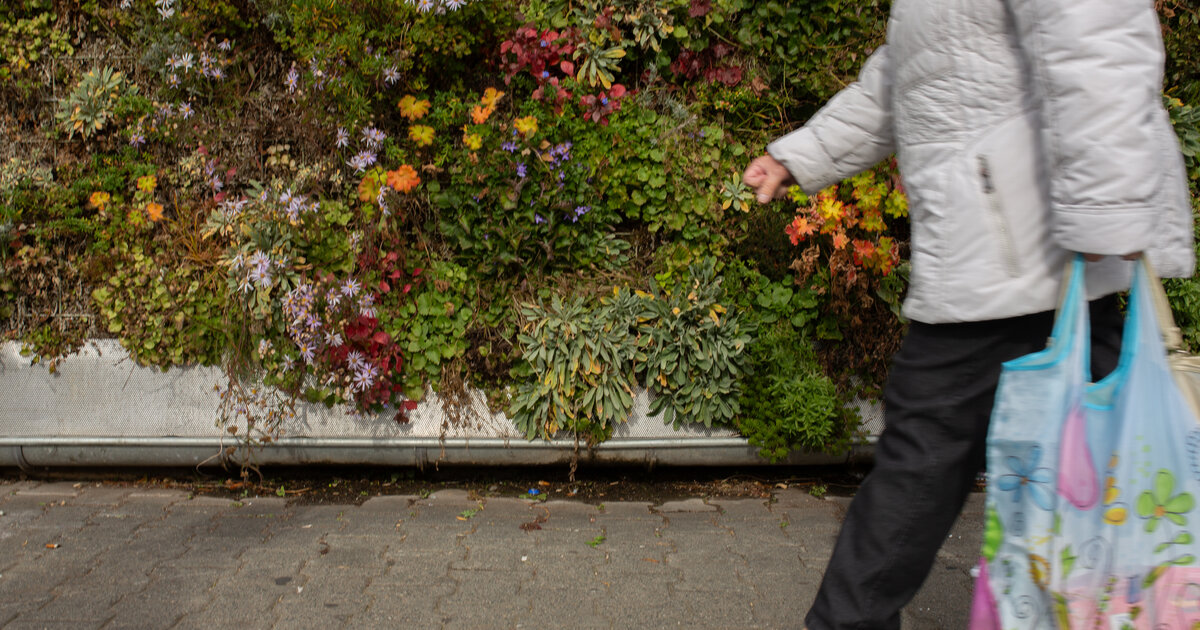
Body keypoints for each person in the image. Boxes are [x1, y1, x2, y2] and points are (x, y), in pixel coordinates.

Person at [742, 1, 1195, 628]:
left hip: (1029, 254)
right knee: (1090, 465)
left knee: (932, 458)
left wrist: (1105, 207)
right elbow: (910, 70)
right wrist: (806, 153)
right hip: (994, 254)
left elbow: (1098, 41)